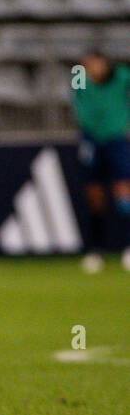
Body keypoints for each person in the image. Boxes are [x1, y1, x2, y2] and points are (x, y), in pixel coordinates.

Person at [71, 49, 130, 272]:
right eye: (88, 65)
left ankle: (127, 246)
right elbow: (76, 101)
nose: (92, 69)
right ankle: (96, 250)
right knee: (94, 197)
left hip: (117, 140)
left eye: (96, 64)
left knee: (124, 193)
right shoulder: (78, 74)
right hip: (91, 140)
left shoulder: (122, 75)